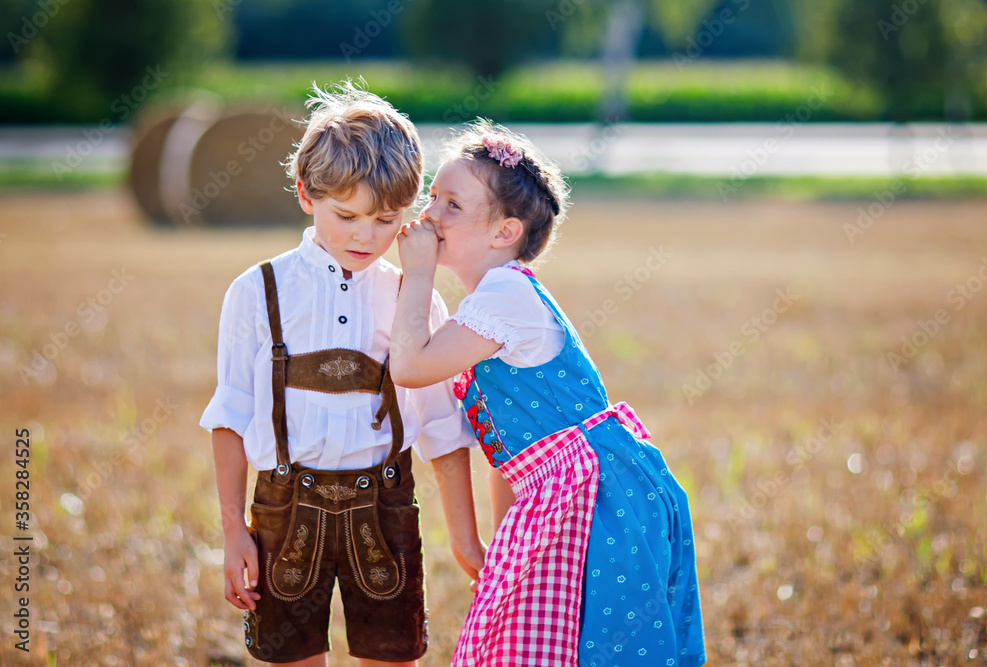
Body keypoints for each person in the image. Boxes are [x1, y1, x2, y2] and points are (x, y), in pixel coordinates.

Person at [389, 120, 706, 667]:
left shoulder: (506, 295)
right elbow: (510, 458)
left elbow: (411, 365)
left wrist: (415, 275)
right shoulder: (493, 300)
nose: (430, 214)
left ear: (504, 232)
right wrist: (503, 541)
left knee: (594, 645)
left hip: (600, 498)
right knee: (533, 641)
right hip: (568, 490)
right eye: (432, 197)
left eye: (452, 205)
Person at [199, 82, 485, 667]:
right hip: (283, 510)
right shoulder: (257, 292)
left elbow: (442, 431)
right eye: (346, 215)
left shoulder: (415, 298)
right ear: (306, 194)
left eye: (386, 220)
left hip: (384, 506)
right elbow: (229, 416)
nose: (365, 236)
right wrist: (234, 531)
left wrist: (466, 541)